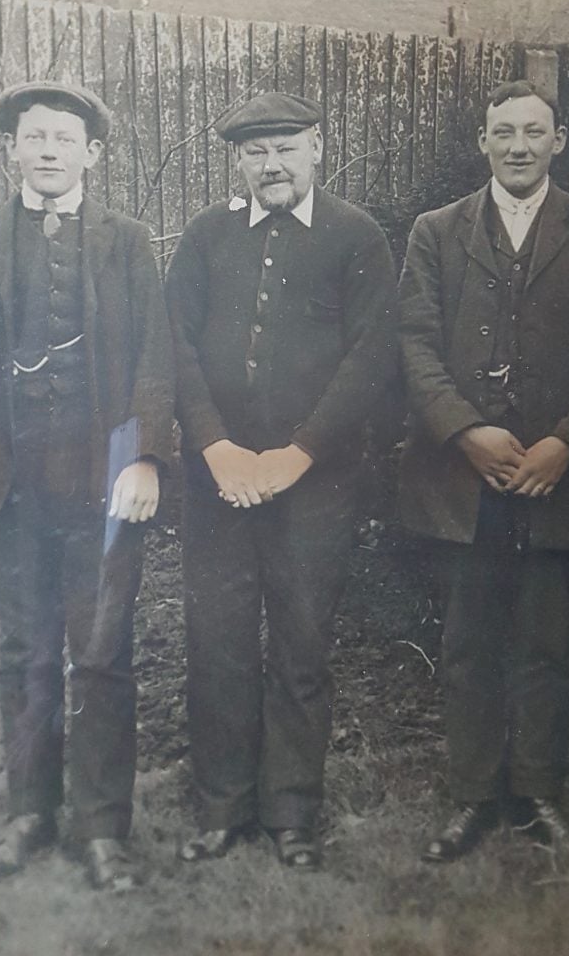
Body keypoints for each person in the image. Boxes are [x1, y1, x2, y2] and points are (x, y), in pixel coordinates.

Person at [0, 81, 173, 891]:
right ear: (12, 149)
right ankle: (30, 814)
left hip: (101, 490)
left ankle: (101, 829)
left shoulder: (128, 242)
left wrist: (144, 458)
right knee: (24, 651)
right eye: (35, 136)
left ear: (92, 152)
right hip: (11, 487)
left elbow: (156, 358)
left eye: (64, 137)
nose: (49, 149)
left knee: (101, 654)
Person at [398, 80, 569, 861]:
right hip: (464, 476)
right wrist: (465, 431)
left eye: (534, 132)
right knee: (469, 641)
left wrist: (566, 444)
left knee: (545, 639)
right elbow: (414, 345)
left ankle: (537, 793)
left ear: (558, 141)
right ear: (483, 141)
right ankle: (474, 797)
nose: (518, 146)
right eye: (503, 132)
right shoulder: (437, 232)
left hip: (553, 477)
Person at [165, 92, 398, 870]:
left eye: (286, 148)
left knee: (302, 644)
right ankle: (222, 808)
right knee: (218, 643)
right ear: (239, 160)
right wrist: (216, 448)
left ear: (318, 149)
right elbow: (177, 346)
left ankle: (292, 812)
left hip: (316, 483)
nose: (272, 165)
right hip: (218, 482)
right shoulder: (206, 236)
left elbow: (371, 357)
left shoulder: (356, 237)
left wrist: (298, 454)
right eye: (255, 152)